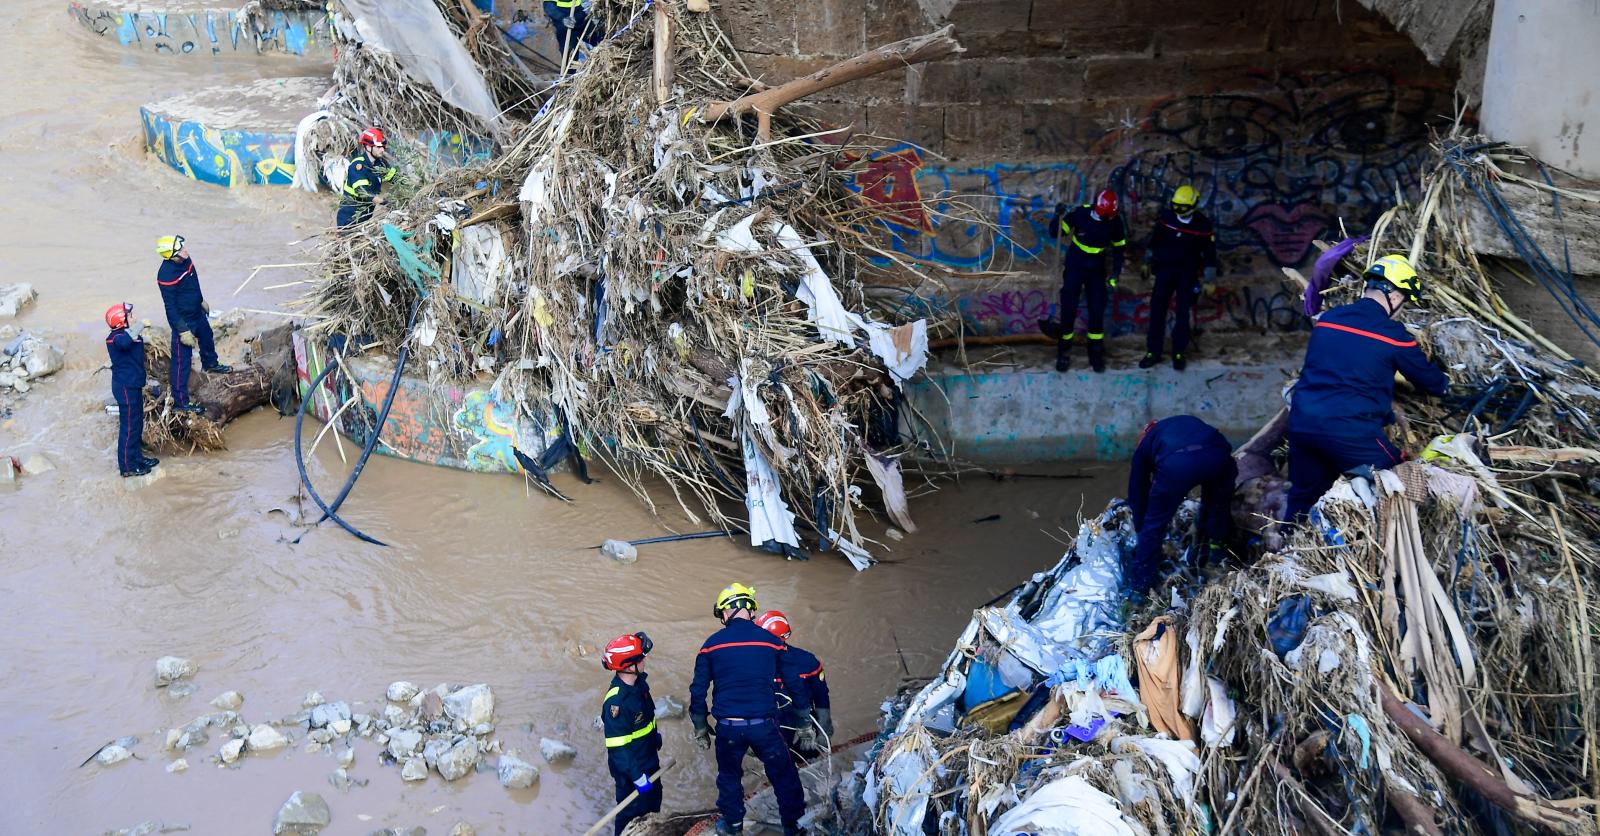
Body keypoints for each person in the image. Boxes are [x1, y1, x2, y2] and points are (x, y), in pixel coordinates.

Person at [1285, 254, 1449, 521]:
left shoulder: (1328, 319)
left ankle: (1286, 554)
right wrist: (1446, 384)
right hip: (1350, 431)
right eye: (1404, 302)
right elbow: (1431, 382)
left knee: (1302, 498)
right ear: (1395, 297)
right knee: (1397, 476)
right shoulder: (1393, 334)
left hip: (1302, 424)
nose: (1401, 309)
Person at [690, 583, 809, 836]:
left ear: (727, 611)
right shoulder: (772, 642)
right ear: (750, 609)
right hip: (764, 726)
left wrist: (700, 726)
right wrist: (804, 721)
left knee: (730, 777)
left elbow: (698, 690)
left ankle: (733, 826)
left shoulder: (711, 645)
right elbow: (795, 684)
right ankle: (794, 827)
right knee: (784, 776)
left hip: (728, 728)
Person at [1126, 415, 1235, 598]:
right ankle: (1217, 557)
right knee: (1218, 506)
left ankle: (1139, 590)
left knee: (1154, 525)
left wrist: (1141, 529)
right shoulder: (1186, 422)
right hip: (1218, 456)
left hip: (1177, 466)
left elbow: (1137, 493)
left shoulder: (1145, 446)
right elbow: (1221, 442)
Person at [1139, 184, 1218, 372]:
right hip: (1165, 271)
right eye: (1176, 206)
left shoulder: (1202, 225)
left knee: (1183, 314)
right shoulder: (1167, 219)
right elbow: (1154, 241)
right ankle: (1153, 352)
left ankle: (1179, 352)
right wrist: (1146, 261)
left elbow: (1209, 254)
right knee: (1157, 311)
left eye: (1182, 208)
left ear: (1193, 206)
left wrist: (1209, 279)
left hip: (1187, 275)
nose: (1178, 211)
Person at [1047, 189, 1127, 373]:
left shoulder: (1115, 222)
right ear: (1096, 207)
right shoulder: (1080, 214)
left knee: (1097, 310)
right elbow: (1055, 232)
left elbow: (1119, 248)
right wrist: (1057, 216)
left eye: (1109, 216)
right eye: (1103, 214)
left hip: (1097, 270)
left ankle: (1095, 353)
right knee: (1069, 309)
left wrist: (1115, 273)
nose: (1106, 218)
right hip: (1076, 266)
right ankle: (1064, 352)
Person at [155, 235, 231, 414]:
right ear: (172, 255)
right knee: (182, 362)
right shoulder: (166, 275)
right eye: (181, 249)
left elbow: (194, 283)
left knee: (207, 337)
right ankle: (181, 402)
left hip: (197, 311)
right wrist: (182, 330)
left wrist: (201, 300)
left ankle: (210, 364)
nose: (185, 250)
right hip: (184, 320)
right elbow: (170, 307)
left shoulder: (186, 261)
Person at [601, 631, 663, 836]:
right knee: (629, 814)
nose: (645, 659)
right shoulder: (616, 703)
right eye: (640, 657)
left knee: (653, 807)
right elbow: (619, 749)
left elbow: (646, 719)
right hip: (631, 772)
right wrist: (637, 777)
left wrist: (654, 736)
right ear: (628, 666)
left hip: (649, 759)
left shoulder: (640, 685)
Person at [755, 610, 832, 757]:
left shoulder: (806, 662)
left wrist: (824, 730)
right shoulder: (807, 661)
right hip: (782, 724)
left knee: (802, 758)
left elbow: (821, 697)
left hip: (800, 724)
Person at [106, 303, 160, 477]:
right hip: (125, 387)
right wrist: (139, 326)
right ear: (121, 321)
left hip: (133, 385)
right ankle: (128, 466)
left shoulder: (124, 335)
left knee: (136, 424)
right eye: (131, 317)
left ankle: (137, 458)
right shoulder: (115, 337)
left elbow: (132, 342)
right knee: (128, 427)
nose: (134, 318)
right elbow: (124, 343)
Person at [336, 128, 396, 229]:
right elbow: (363, 192)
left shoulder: (380, 163)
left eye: (383, 147)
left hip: (365, 219)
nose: (382, 150)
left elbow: (395, 178)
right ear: (368, 147)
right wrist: (384, 202)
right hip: (349, 220)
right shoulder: (357, 166)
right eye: (378, 147)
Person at [544, 0, 603, 66]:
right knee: (569, 50)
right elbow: (548, 5)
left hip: (579, 12)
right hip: (562, 15)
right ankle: (569, 72)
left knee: (599, 38)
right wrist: (561, 17)